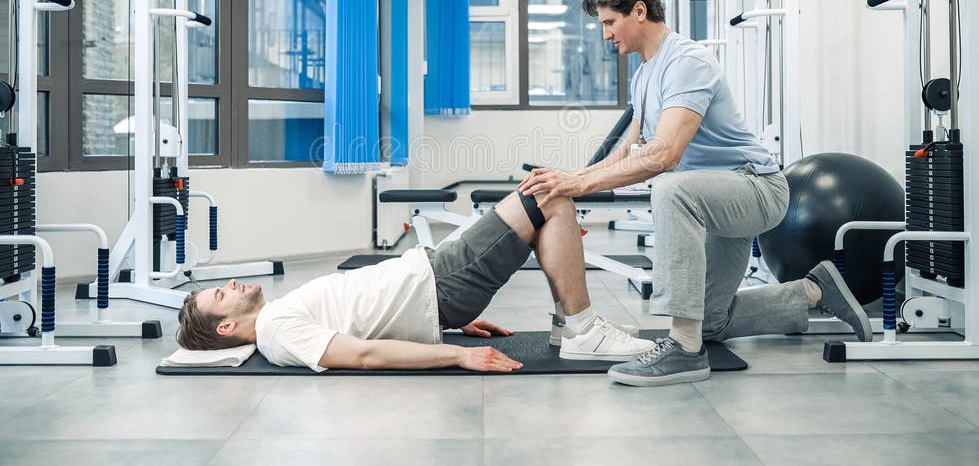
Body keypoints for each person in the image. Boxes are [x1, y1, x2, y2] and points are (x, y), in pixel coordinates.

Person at [519, 0, 872, 387]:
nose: (606, 35)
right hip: (711, 196)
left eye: (609, 23)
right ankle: (815, 290)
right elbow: (628, 151)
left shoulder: (687, 61)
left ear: (638, 11)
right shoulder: (644, 74)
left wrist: (578, 184)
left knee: (669, 189)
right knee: (711, 321)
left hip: (754, 188)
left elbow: (665, 154)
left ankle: (684, 350)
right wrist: (570, 178)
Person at [176, 190, 655, 372]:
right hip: (442, 281)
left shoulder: (277, 320)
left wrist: (443, 323)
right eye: (222, 295)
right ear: (224, 329)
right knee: (551, 198)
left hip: (438, 283)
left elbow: (362, 317)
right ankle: (584, 332)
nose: (233, 284)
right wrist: (455, 354)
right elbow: (362, 355)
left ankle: (568, 327)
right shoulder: (277, 333)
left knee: (549, 206)